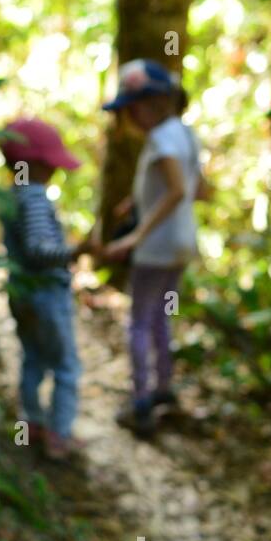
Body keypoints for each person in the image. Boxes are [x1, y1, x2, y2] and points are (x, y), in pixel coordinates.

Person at [99, 60, 204, 437]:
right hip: (181, 242)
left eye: (131, 109)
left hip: (156, 247)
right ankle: (163, 389)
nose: (129, 118)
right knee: (161, 316)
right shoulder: (184, 133)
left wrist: (135, 235)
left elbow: (176, 189)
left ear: (150, 104)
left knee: (140, 321)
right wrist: (136, 199)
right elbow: (196, 187)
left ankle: (141, 402)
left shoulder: (161, 138)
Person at [0, 118, 95, 459]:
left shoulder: (12, 196)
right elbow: (39, 250)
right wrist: (77, 251)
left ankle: (34, 422)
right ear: (35, 164)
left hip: (21, 292)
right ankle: (60, 433)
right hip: (46, 295)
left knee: (33, 359)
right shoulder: (35, 197)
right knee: (66, 365)